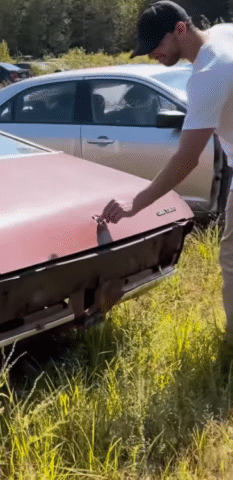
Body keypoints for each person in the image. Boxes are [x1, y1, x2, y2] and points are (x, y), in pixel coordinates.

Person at [100, 0, 233, 347]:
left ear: (180, 29)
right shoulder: (223, 34)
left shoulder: (208, 73)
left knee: (232, 260)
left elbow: (187, 159)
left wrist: (136, 203)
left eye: (156, 46)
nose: (152, 55)